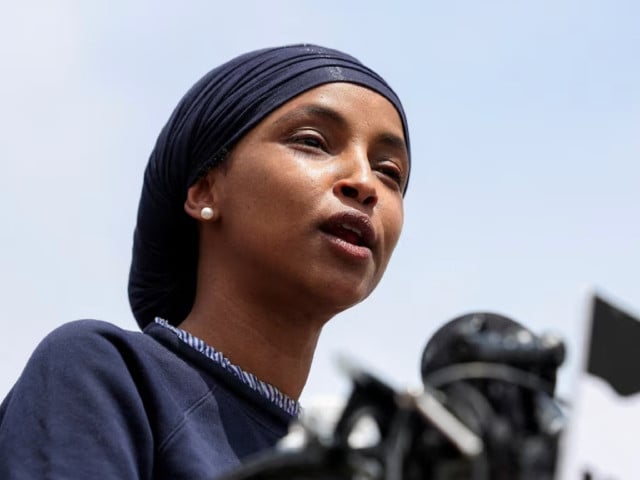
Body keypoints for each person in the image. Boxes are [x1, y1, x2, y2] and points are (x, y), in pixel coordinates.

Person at [0, 44, 411, 479]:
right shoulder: (104, 373)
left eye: (389, 172)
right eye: (312, 141)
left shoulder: (355, 464)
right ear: (205, 191)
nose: (365, 183)